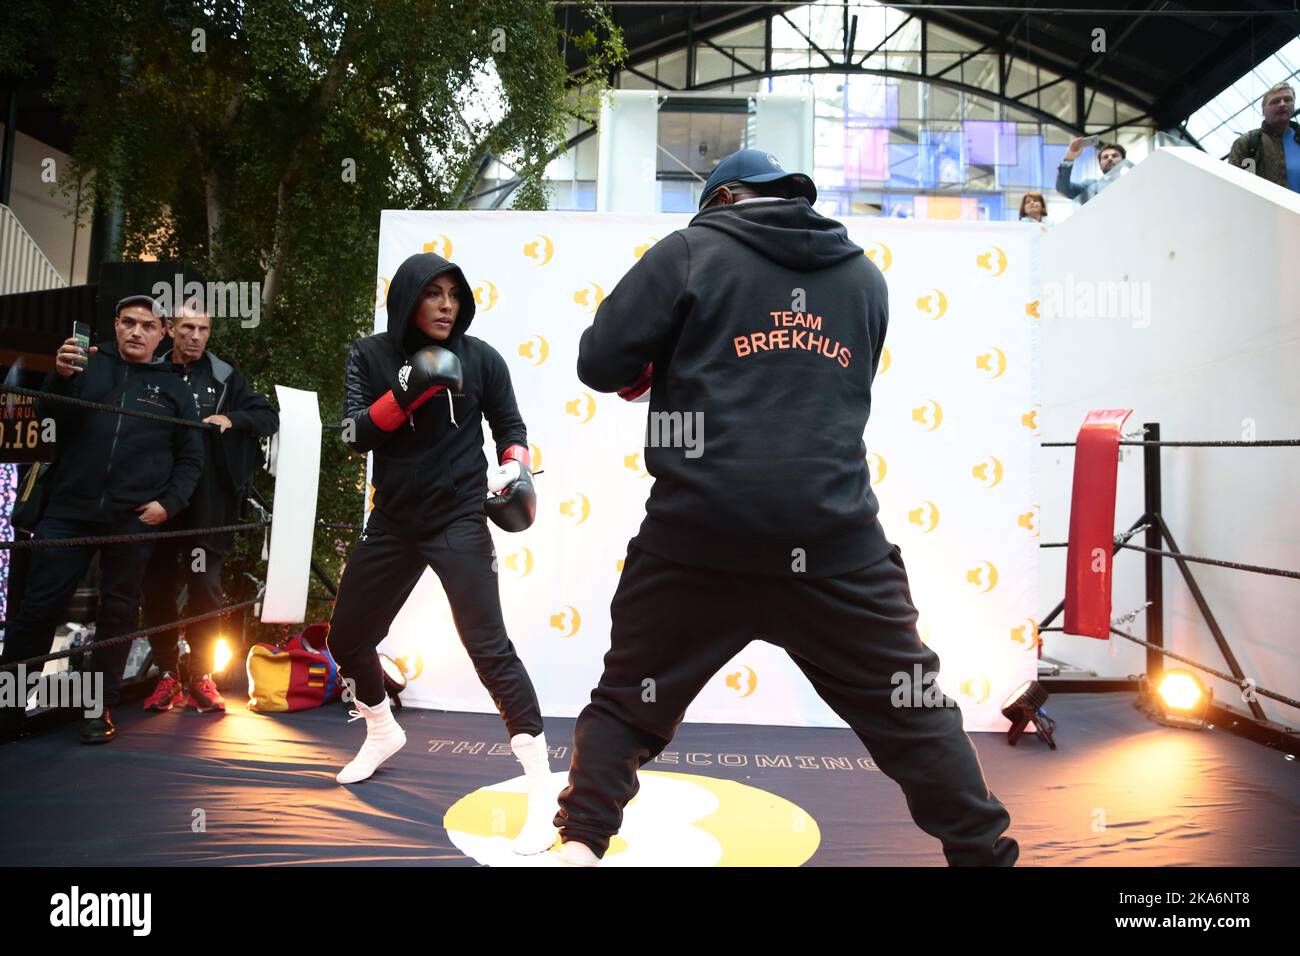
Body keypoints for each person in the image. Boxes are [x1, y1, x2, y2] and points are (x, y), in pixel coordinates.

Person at [553, 147, 1019, 867]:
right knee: (915, 709)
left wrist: (665, 357)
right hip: (834, 540)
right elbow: (826, 387)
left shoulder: (689, 250)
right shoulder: (865, 276)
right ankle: (983, 854)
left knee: (626, 702)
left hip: (699, 536)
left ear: (723, 197)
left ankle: (580, 844)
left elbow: (600, 363)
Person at [328, 251, 554, 854]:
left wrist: (517, 471)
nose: (447, 304)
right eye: (433, 293)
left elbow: (511, 427)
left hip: (458, 515)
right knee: (346, 639)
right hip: (395, 519)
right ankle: (381, 729)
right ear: (408, 298)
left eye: (455, 293)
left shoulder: (483, 358)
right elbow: (352, 435)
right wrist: (407, 391)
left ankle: (542, 790)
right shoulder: (370, 355)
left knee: (488, 646)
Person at [0, 296, 203, 744]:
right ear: (115, 324)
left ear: (162, 332)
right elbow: (48, 419)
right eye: (128, 322)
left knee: (118, 614)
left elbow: (191, 457)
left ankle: (99, 709)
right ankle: (8, 710)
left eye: (147, 325)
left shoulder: (174, 387)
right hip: (67, 513)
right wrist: (60, 375)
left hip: (131, 519)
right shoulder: (85, 365)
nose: (136, 331)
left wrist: (168, 504)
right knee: (37, 611)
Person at [140, 301, 279, 715]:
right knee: (157, 586)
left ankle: (201, 676)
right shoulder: (152, 370)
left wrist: (231, 419)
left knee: (205, 588)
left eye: (203, 329)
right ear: (170, 330)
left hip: (209, 504)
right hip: (160, 499)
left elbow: (267, 416)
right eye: (187, 328)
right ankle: (167, 674)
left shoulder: (224, 376)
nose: (196, 336)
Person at [1227, 82, 1300, 192]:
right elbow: (1233, 185)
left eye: (1287, 100)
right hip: (1267, 208)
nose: (1282, 104)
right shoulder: (1248, 142)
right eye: (1275, 102)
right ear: (1263, 111)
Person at [1056, 139, 1132, 204]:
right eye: (1105, 157)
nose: (1110, 158)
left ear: (1123, 161)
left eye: (1115, 156)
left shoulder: (1132, 183)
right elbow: (1063, 189)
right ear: (1100, 164)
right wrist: (1069, 158)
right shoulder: (1090, 186)